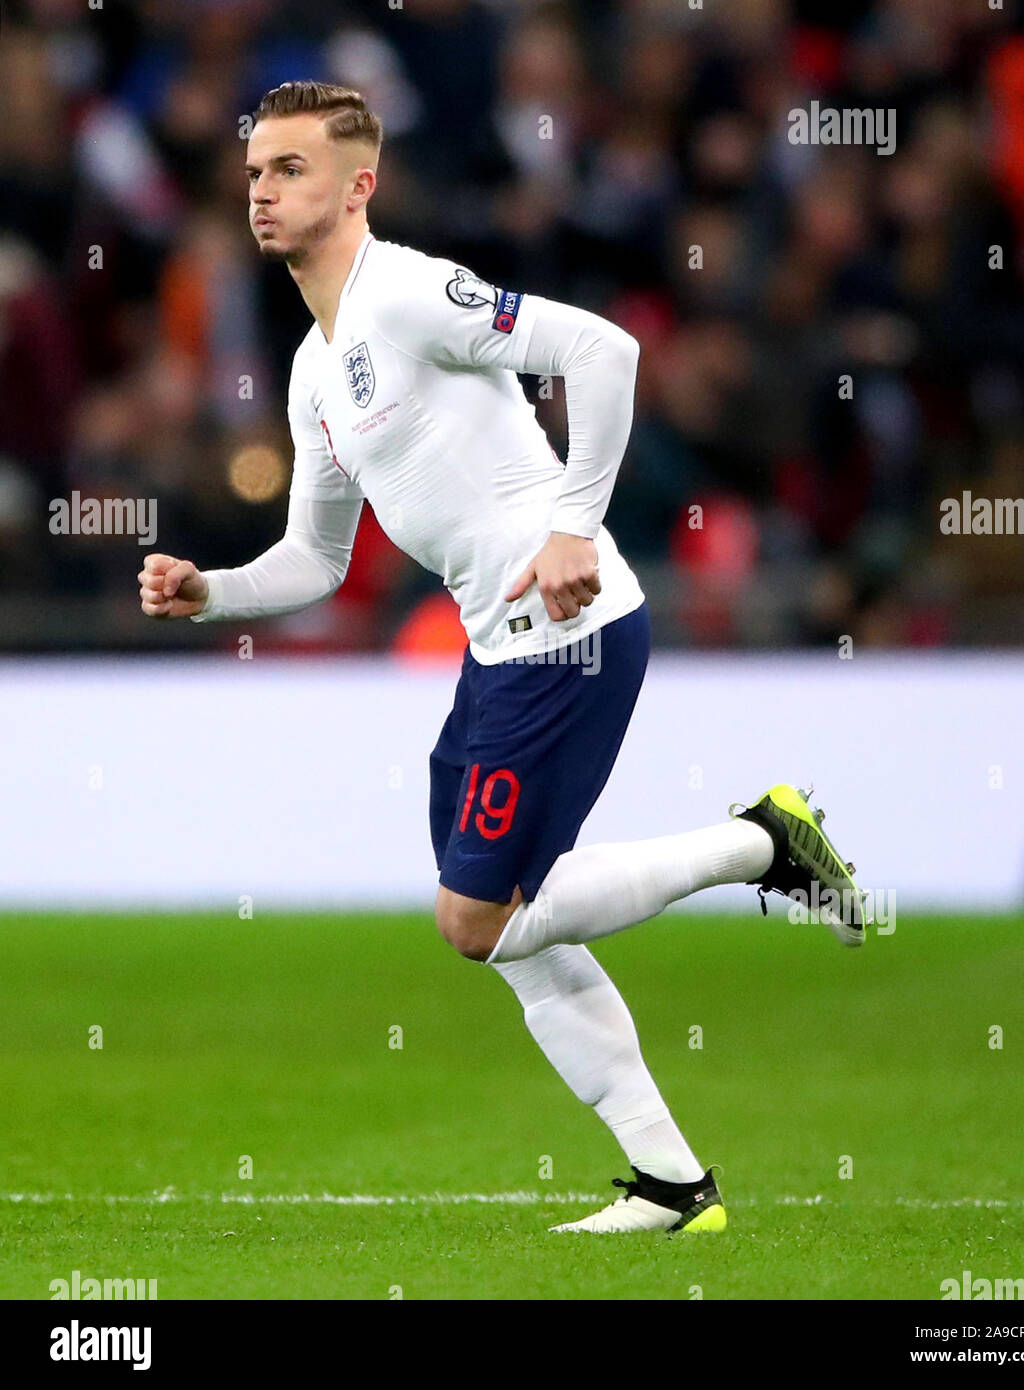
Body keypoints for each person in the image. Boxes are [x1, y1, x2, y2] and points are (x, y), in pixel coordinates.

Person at [138, 81, 865, 1234]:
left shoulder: (412, 293)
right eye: (254, 173)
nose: (262, 192)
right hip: (498, 646)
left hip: (567, 631)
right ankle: (674, 1183)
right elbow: (317, 559)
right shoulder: (314, 368)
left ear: (357, 186)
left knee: (474, 919)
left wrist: (576, 521)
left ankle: (759, 843)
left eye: (290, 171)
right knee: (510, 934)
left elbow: (605, 349)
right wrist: (211, 590)